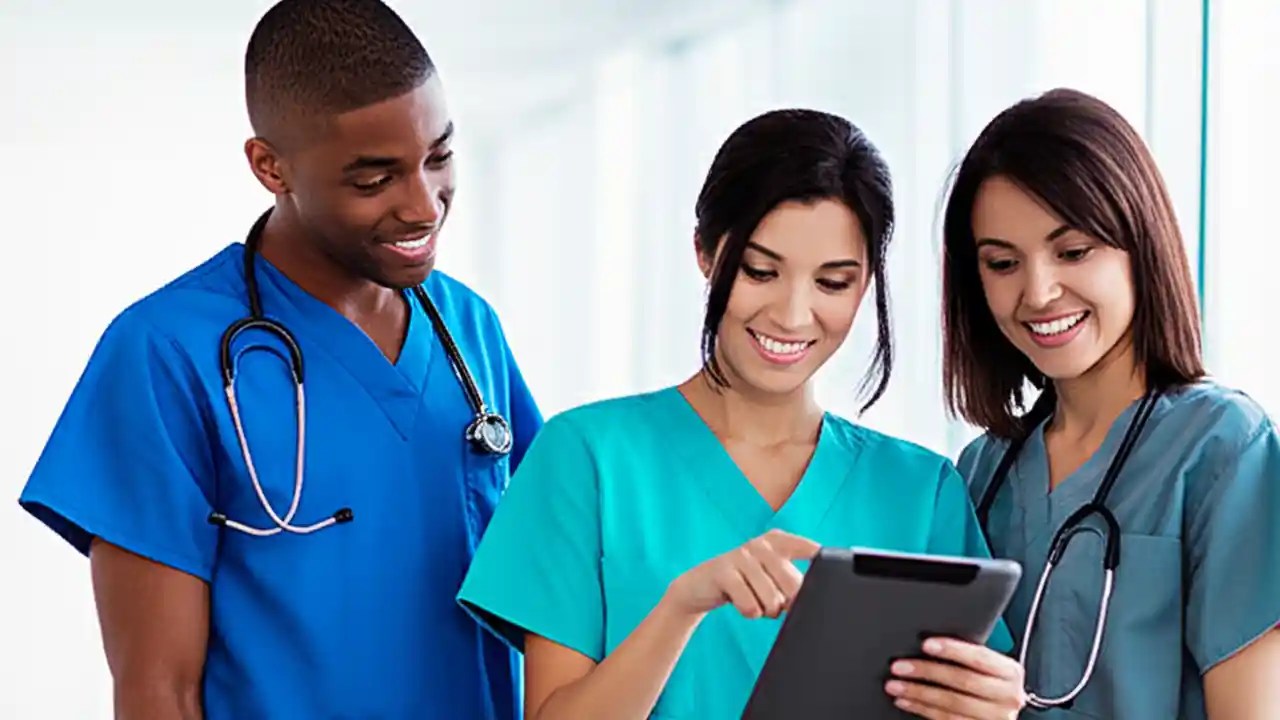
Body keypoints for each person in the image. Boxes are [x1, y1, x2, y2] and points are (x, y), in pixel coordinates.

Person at [17, 1, 541, 718]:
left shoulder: (467, 328)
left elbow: (557, 596)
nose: (424, 205)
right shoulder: (167, 352)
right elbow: (157, 690)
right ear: (270, 167)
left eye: (439, 157)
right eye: (374, 180)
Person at [455, 108, 1024, 720]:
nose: (792, 314)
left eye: (833, 282)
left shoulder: (922, 492)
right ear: (705, 251)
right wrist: (681, 607)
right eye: (760, 271)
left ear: (865, 286)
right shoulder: (587, 458)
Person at [902, 87, 1280, 719]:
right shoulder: (980, 474)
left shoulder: (1224, 449)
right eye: (1002, 263)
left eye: (1073, 252)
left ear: (1140, 244)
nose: (1038, 292)